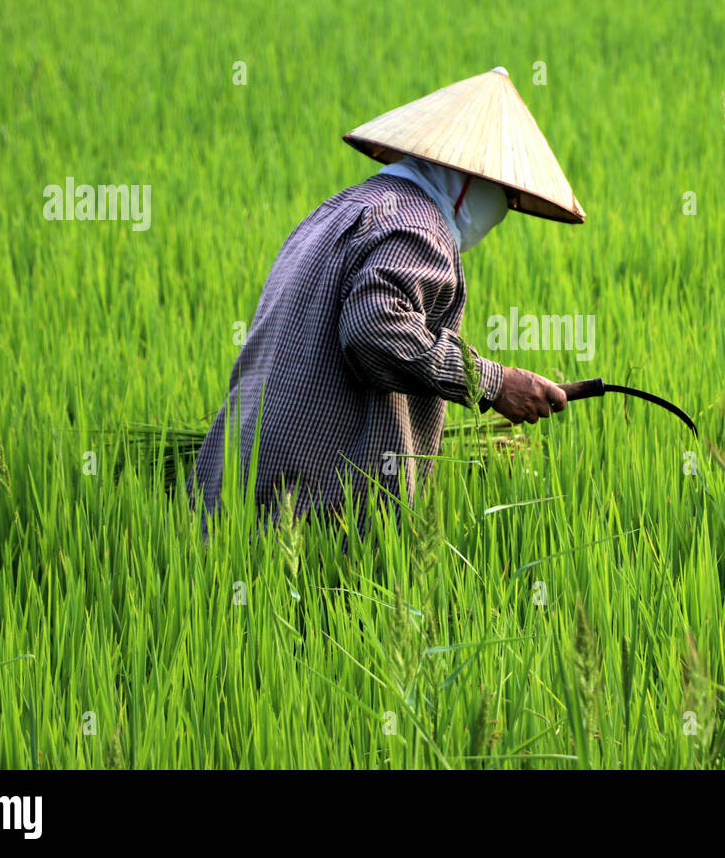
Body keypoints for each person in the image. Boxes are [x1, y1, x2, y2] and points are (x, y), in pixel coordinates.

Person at [187, 67, 585, 543]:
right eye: (503, 196)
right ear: (466, 183)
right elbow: (374, 328)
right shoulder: (423, 229)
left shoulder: (341, 208)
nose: (501, 211)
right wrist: (492, 383)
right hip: (308, 510)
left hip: (234, 480)